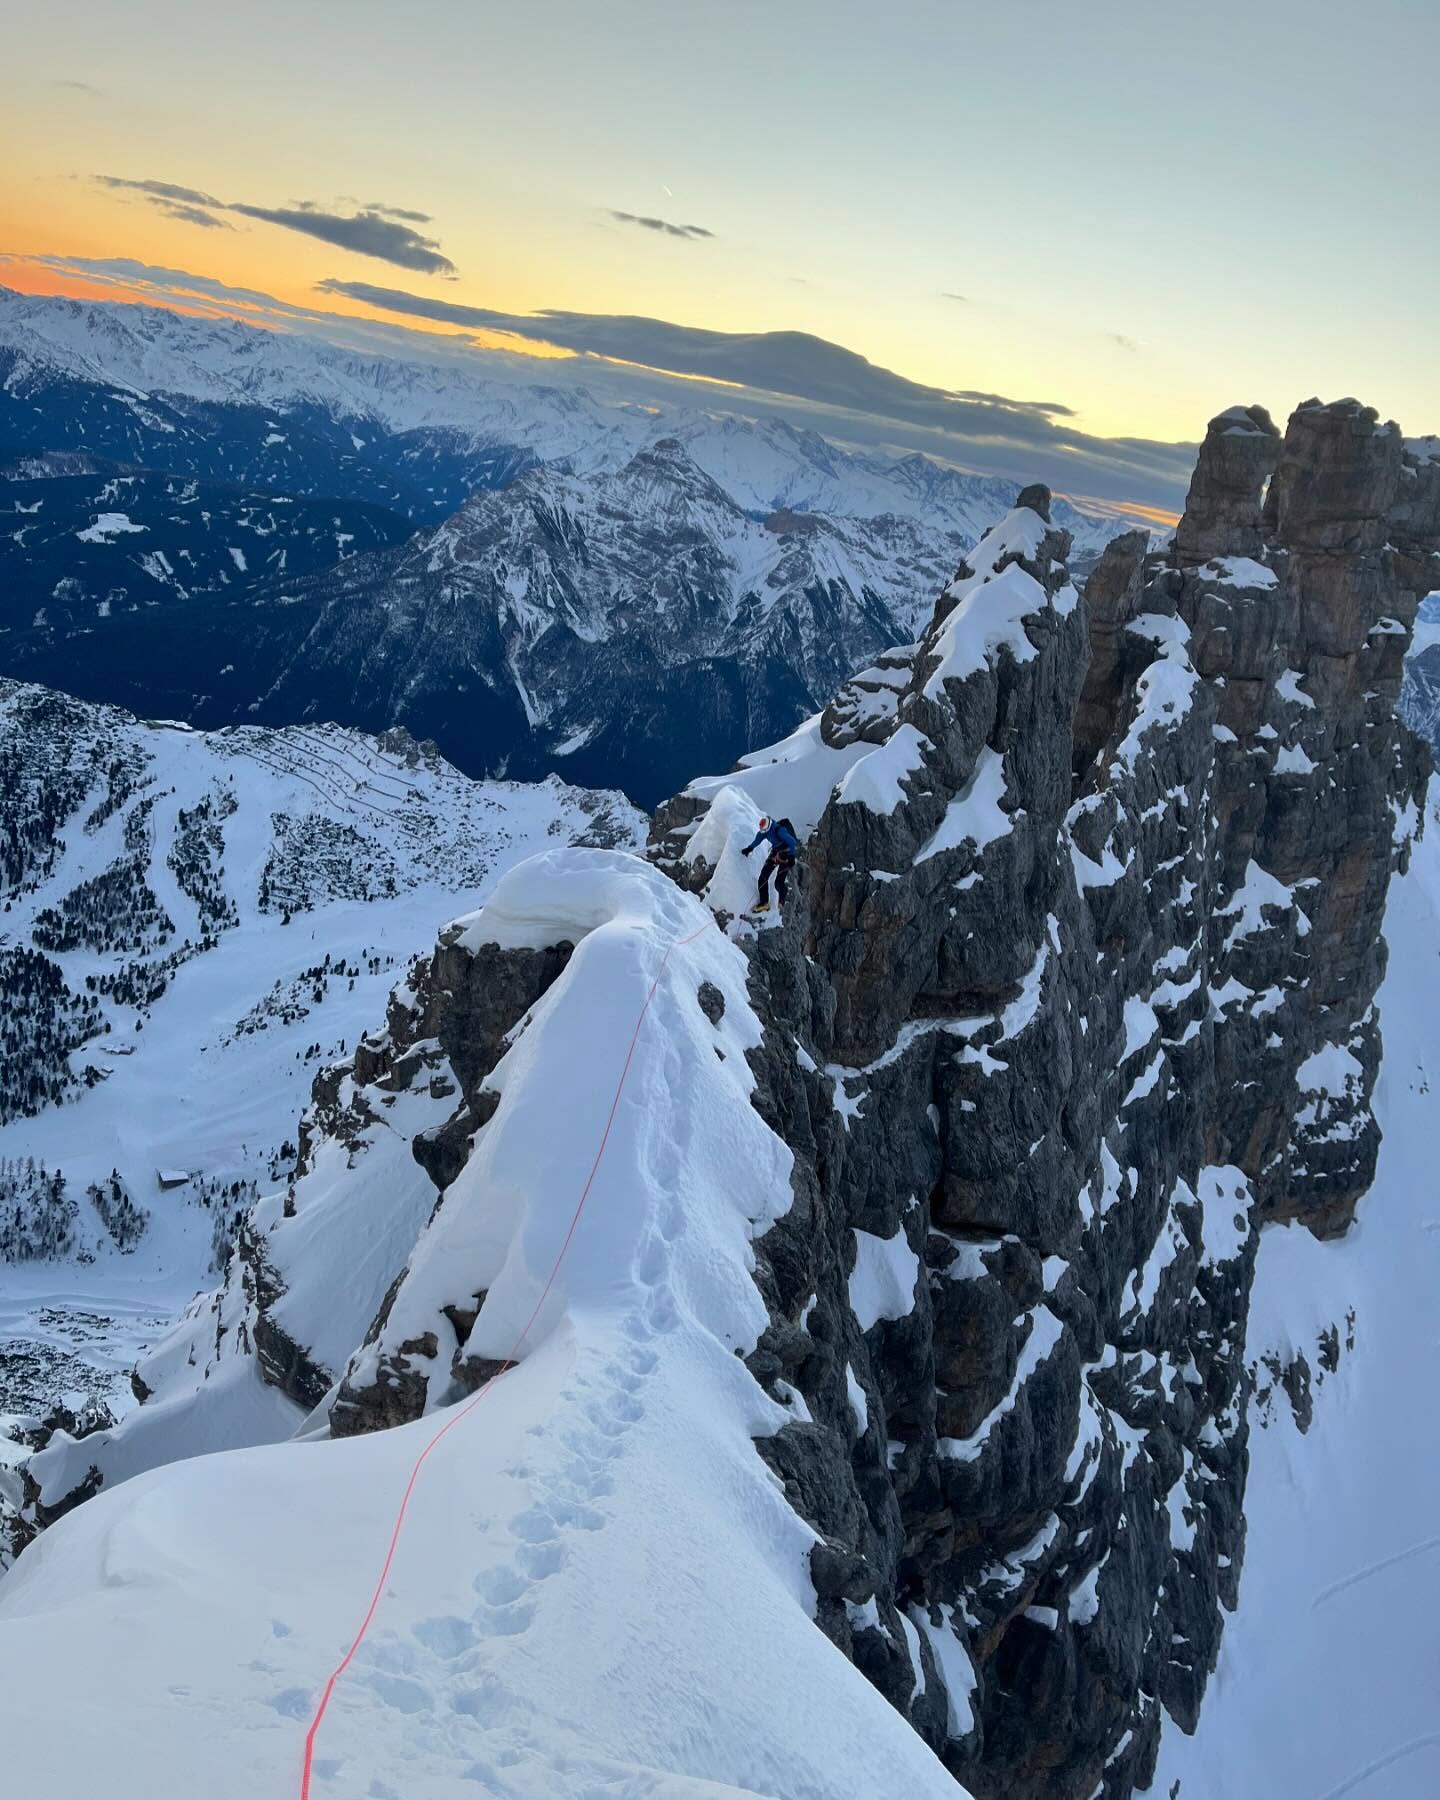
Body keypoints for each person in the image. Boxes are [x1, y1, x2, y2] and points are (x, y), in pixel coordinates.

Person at [740, 814, 800, 913]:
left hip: (787, 854)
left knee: (778, 883)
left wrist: (791, 857)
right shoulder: (765, 830)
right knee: (762, 878)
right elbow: (758, 838)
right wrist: (750, 848)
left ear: (768, 827)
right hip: (776, 851)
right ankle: (764, 903)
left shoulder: (780, 831)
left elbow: (792, 842)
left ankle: (783, 894)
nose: (763, 832)